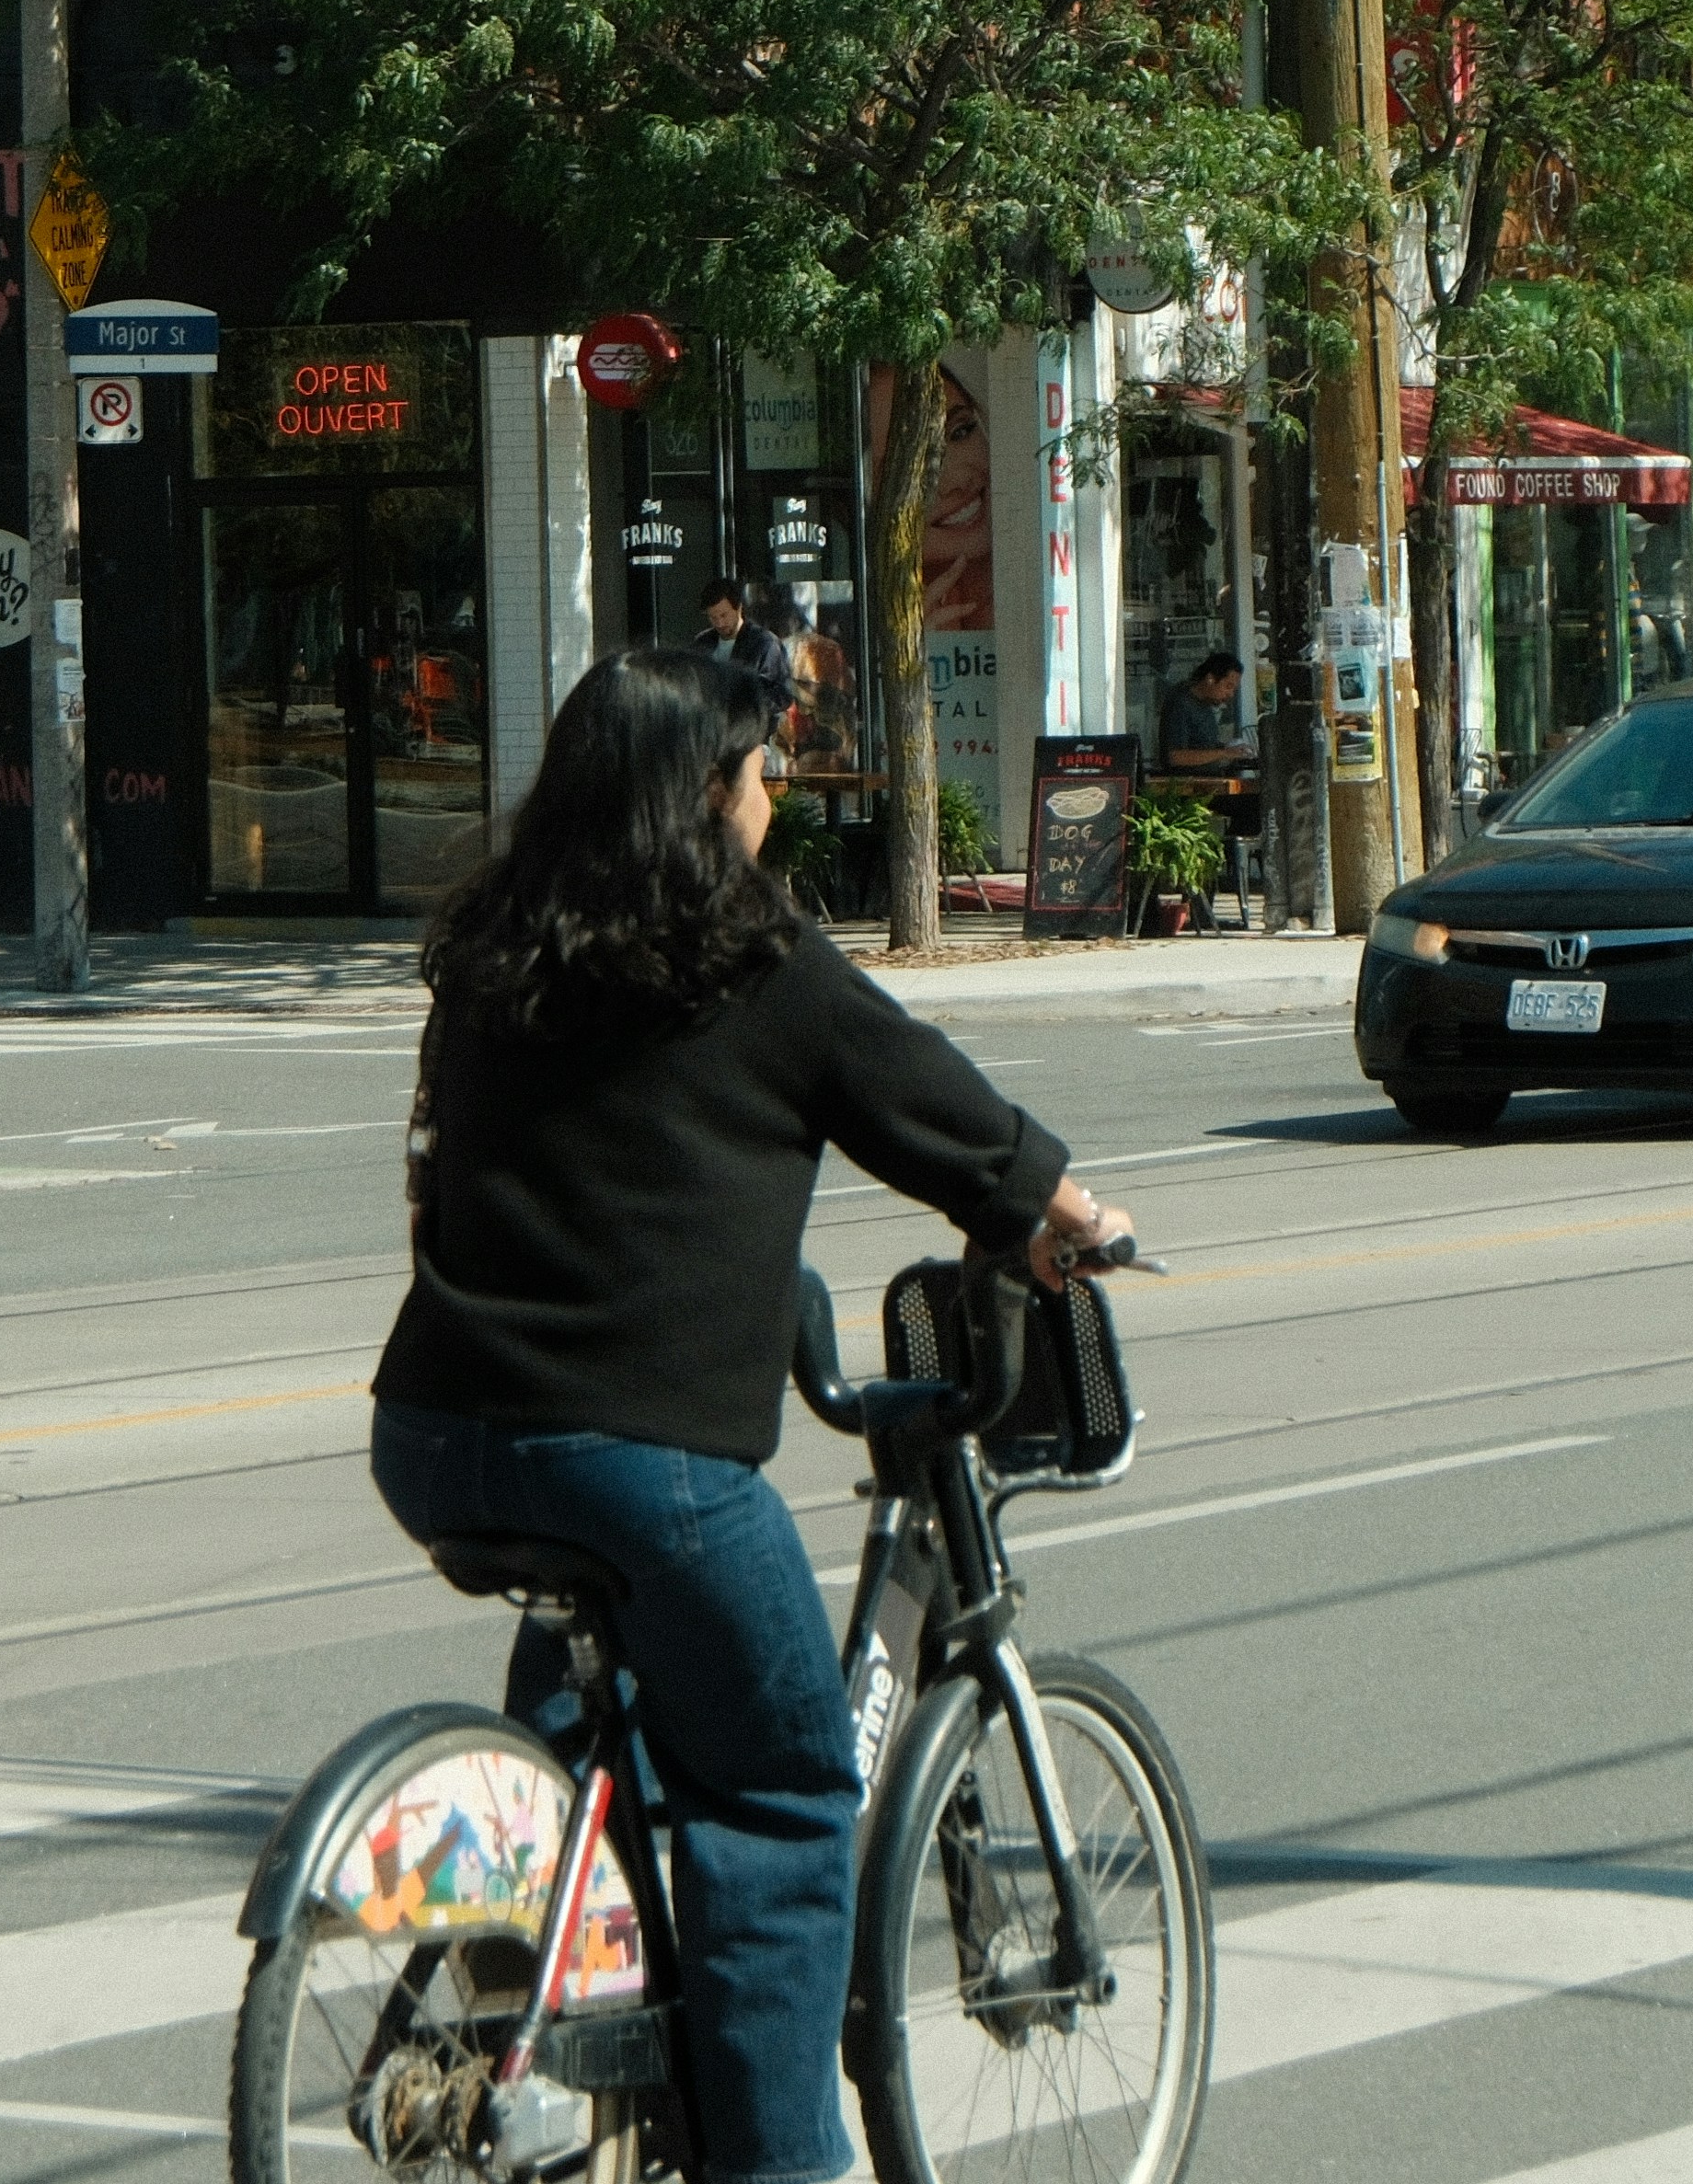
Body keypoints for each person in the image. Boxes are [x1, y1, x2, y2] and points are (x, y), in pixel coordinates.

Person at [373, 644, 1129, 2184]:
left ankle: (510, 1995)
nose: (773, 796)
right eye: (760, 772)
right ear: (705, 795)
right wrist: (1058, 1204)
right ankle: (783, 2162)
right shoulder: (750, 962)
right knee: (782, 1786)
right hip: (643, 1459)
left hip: (437, 1432)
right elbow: (922, 1095)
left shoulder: (494, 950)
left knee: (578, 1713)